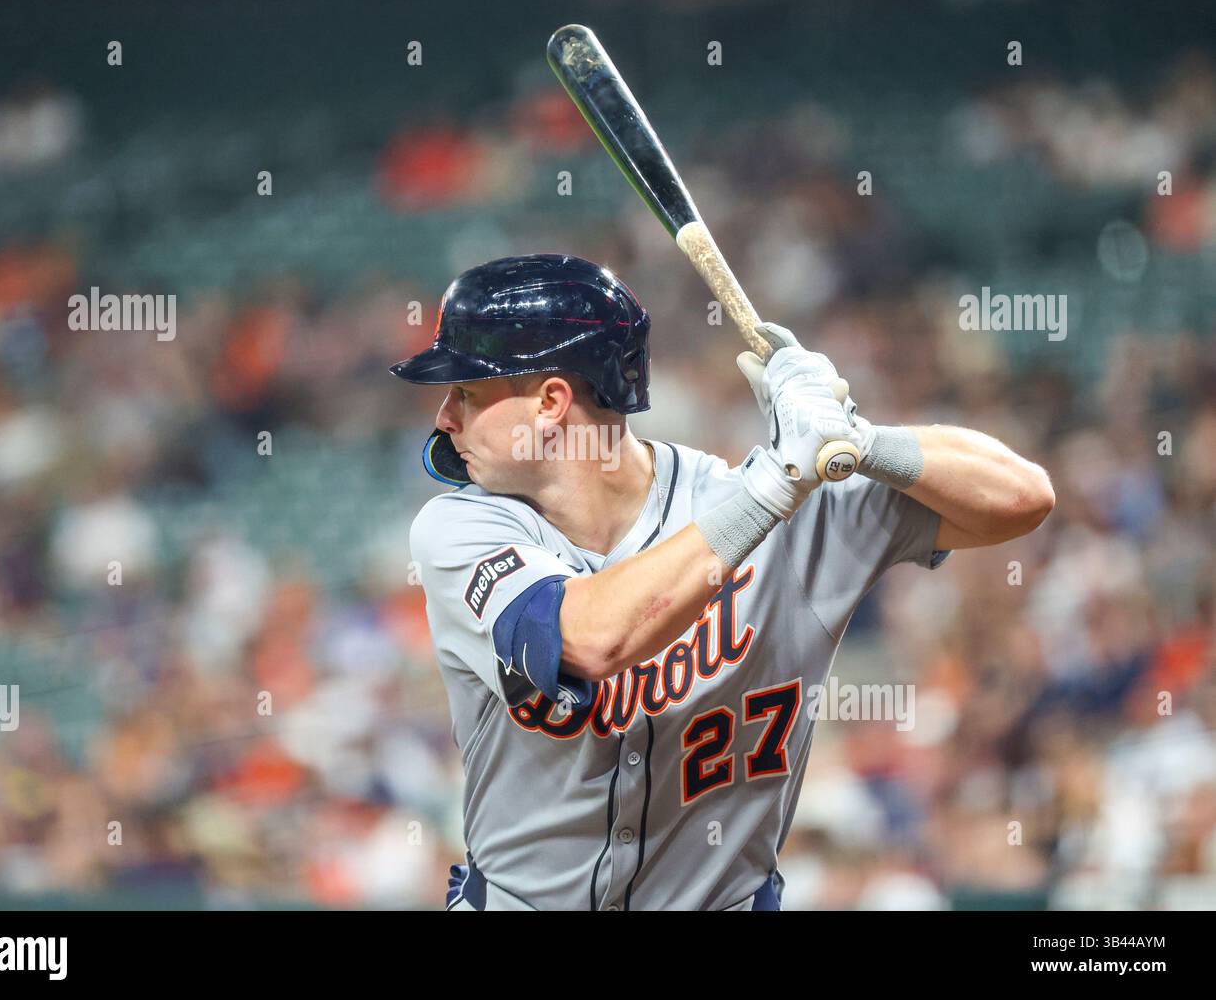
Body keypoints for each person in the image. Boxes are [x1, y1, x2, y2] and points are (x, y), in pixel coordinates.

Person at [391, 253, 1055, 910]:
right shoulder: (458, 529)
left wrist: (858, 437)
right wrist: (777, 482)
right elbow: (591, 638)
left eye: (467, 394)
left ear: (551, 403)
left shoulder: (781, 504)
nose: (445, 417)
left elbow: (1023, 497)